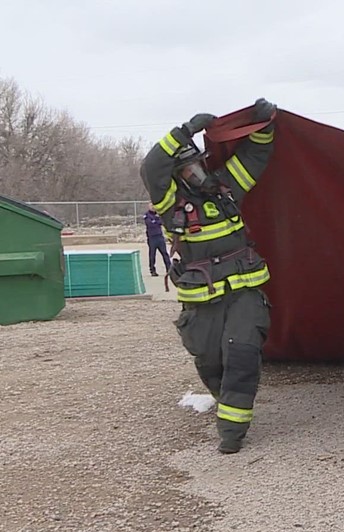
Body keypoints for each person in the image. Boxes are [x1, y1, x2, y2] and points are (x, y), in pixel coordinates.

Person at [139, 98, 278, 454]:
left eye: (199, 165)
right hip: (202, 304)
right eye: (188, 169)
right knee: (210, 361)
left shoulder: (227, 188)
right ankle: (227, 400)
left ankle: (232, 434)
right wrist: (185, 131)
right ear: (178, 174)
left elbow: (255, 157)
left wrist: (265, 123)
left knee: (242, 353)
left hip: (244, 294)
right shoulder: (170, 204)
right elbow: (151, 166)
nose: (197, 174)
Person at [143, 207, 172, 276]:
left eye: (153, 206)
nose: (153, 207)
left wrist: (156, 221)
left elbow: (162, 222)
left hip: (160, 237)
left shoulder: (159, 214)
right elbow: (150, 224)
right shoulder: (147, 215)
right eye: (151, 205)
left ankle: (169, 269)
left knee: (165, 254)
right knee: (152, 254)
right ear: (149, 206)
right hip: (152, 238)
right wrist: (157, 221)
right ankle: (152, 270)